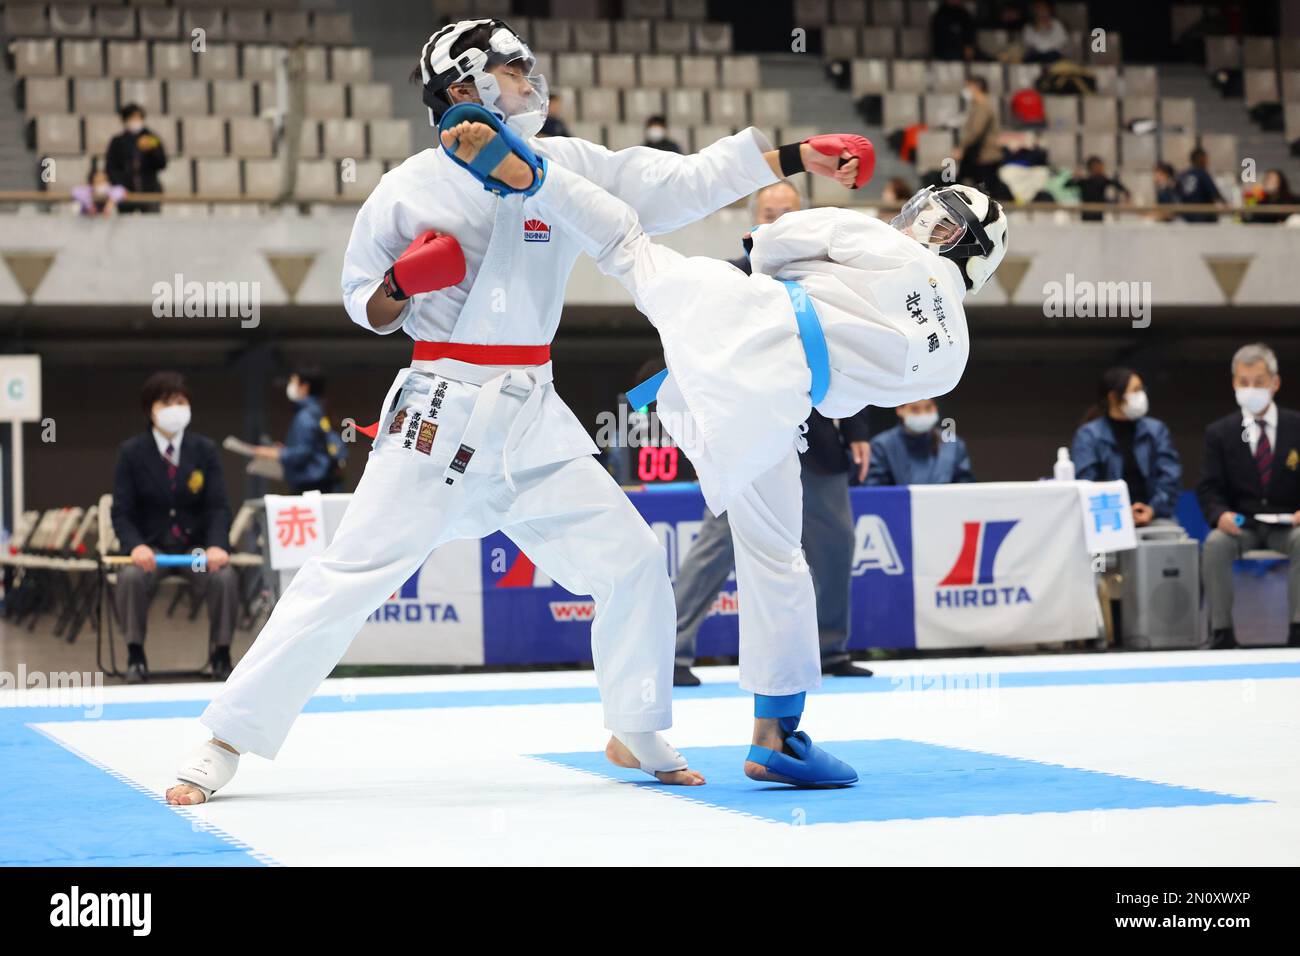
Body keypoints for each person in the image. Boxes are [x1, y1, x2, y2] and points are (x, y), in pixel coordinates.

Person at [165, 17, 865, 804]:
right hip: (439, 411)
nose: (531, 76)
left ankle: (635, 724)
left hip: (533, 412)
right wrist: (404, 283)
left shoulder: (564, 165)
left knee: (632, 559)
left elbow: (683, 184)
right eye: (511, 66)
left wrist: (801, 156)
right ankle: (223, 741)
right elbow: (365, 302)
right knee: (347, 578)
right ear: (465, 86)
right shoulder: (409, 187)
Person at [444, 116, 1005, 784]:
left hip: (742, 317)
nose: (924, 224)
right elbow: (842, 403)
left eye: (939, 221)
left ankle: (533, 175)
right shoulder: (954, 362)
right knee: (777, 557)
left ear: (949, 237)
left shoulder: (874, 236)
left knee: (628, 243)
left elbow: (770, 245)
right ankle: (777, 734)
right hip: (775, 405)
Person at [671, 180, 874, 687]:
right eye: (768, 212)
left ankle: (830, 648)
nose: (777, 220)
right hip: (753, 433)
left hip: (821, 432)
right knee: (718, 541)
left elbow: (856, 351)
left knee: (835, 538)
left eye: (787, 212)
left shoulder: (827, 277)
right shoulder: (730, 277)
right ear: (752, 218)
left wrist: (860, 429)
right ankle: (669, 650)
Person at [111, 372, 239, 683]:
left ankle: (221, 654)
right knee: (129, 577)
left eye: (180, 402)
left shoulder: (204, 451)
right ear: (150, 409)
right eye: (166, 402)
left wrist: (216, 544)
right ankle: (135, 654)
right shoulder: (131, 453)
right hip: (150, 550)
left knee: (224, 577)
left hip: (193, 551)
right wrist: (136, 546)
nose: (174, 409)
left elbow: (218, 506)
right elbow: (122, 512)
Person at [1198, 343, 1300, 650]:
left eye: (1258, 382)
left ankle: (1298, 627)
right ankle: (1221, 631)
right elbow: (1208, 487)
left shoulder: (1297, 427)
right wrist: (1220, 515)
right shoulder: (1221, 433)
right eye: (1244, 382)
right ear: (1234, 383)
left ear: (1275, 383)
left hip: (1288, 525)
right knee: (1214, 544)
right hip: (1241, 526)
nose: (1251, 389)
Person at [1070, 367, 1182, 527]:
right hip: (1107, 517)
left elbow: (1170, 477)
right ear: (1114, 398)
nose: (1141, 395)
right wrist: (1119, 511)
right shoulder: (1088, 435)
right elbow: (1086, 482)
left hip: (1154, 516)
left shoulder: (1156, 431)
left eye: (1142, 390)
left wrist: (1152, 509)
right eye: (1135, 390)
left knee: (1172, 538)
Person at [253, 368, 344, 493]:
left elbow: (304, 452)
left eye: (294, 382)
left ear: (304, 387)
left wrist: (277, 453)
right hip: (324, 483)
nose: (290, 387)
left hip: (310, 486)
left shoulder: (305, 416)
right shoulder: (320, 411)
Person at [866, 399, 974, 485]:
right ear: (899, 410)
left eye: (928, 407)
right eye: (914, 409)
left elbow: (965, 484)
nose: (923, 414)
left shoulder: (952, 444)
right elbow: (875, 491)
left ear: (935, 408)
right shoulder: (882, 445)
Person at [104, 103, 168, 214]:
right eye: (132, 117)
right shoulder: (117, 141)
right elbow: (110, 167)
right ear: (125, 120)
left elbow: (162, 163)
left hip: (150, 191)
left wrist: (152, 150)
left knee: (151, 225)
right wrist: (119, 186)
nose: (135, 120)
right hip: (125, 193)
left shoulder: (152, 138)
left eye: (138, 117)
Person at [954, 77, 1004, 197]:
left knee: (987, 193)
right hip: (980, 156)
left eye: (968, 87)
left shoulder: (983, 107)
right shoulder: (978, 106)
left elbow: (975, 131)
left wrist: (961, 147)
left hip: (986, 157)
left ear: (976, 87)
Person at [1067, 156, 1130, 222]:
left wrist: (1126, 193)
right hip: (1086, 212)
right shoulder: (1084, 181)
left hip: (1098, 212)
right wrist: (1074, 177)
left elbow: (1117, 184)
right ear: (1092, 168)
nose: (1101, 169)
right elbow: (1067, 185)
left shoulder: (1102, 180)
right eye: (1098, 166)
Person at [1176, 148, 1226, 223]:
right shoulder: (1202, 174)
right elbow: (1215, 194)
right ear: (1201, 159)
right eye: (1206, 159)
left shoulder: (1183, 175)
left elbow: (1177, 195)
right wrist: (1228, 206)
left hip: (1186, 217)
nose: (1208, 162)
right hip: (1204, 216)